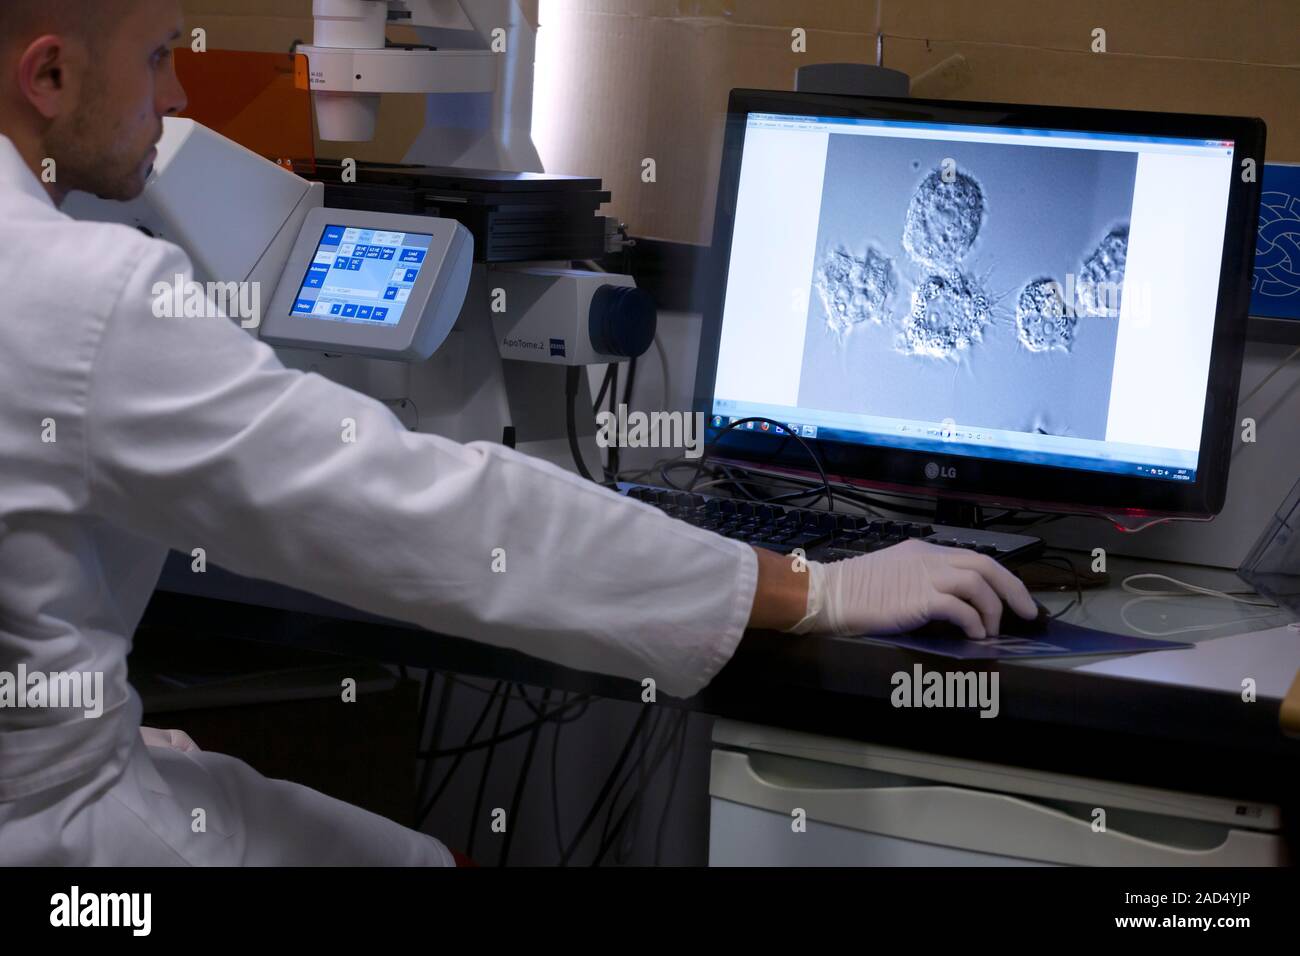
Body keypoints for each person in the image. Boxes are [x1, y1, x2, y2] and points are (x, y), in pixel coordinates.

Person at [0, 0, 1036, 865]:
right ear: (47, 79)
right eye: (153, 59)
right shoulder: (84, 298)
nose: (177, 95)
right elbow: (423, 506)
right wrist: (817, 586)